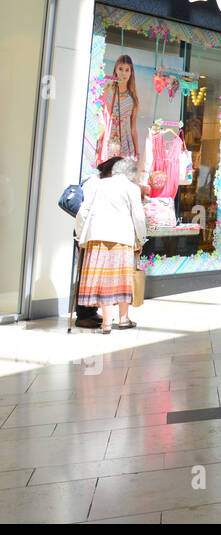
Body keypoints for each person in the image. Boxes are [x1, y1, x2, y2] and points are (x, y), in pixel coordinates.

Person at [74, 156, 147, 334]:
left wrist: (81, 234)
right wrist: (141, 238)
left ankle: (107, 322)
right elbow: (138, 216)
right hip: (122, 238)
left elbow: (83, 211)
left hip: (97, 237)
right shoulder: (131, 188)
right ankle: (123, 319)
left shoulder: (98, 185)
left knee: (103, 279)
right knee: (122, 278)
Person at [102, 55, 140, 160]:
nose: (123, 73)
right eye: (120, 69)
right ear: (115, 69)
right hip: (107, 141)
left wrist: (137, 152)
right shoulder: (107, 91)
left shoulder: (132, 99)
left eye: (127, 70)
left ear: (131, 72)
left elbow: (133, 129)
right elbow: (100, 118)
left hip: (125, 145)